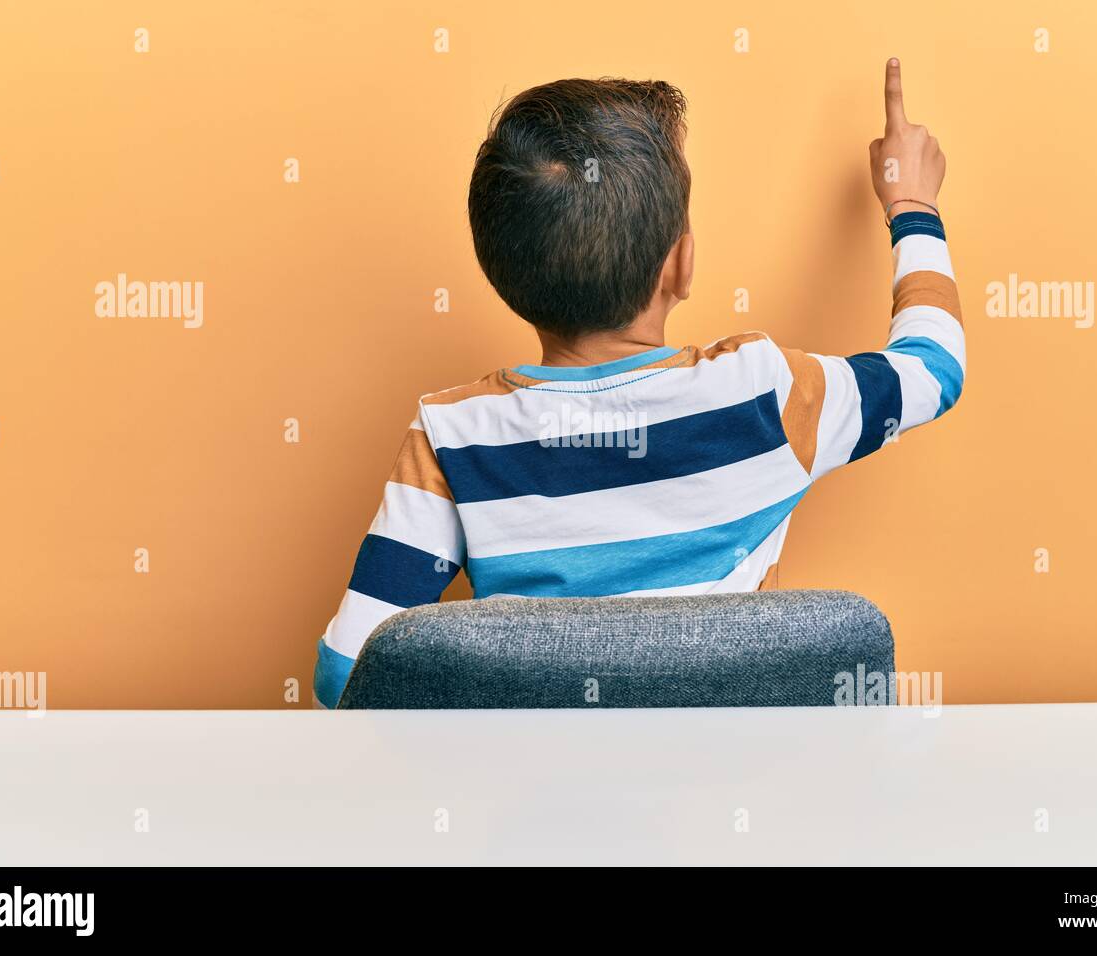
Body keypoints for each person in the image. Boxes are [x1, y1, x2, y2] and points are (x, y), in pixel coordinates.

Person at [314, 59, 963, 708]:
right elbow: (935, 367)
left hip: (530, 803)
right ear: (681, 265)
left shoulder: (452, 438)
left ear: (498, 270)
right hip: (732, 800)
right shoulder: (763, 396)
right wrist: (912, 205)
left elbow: (347, 675)